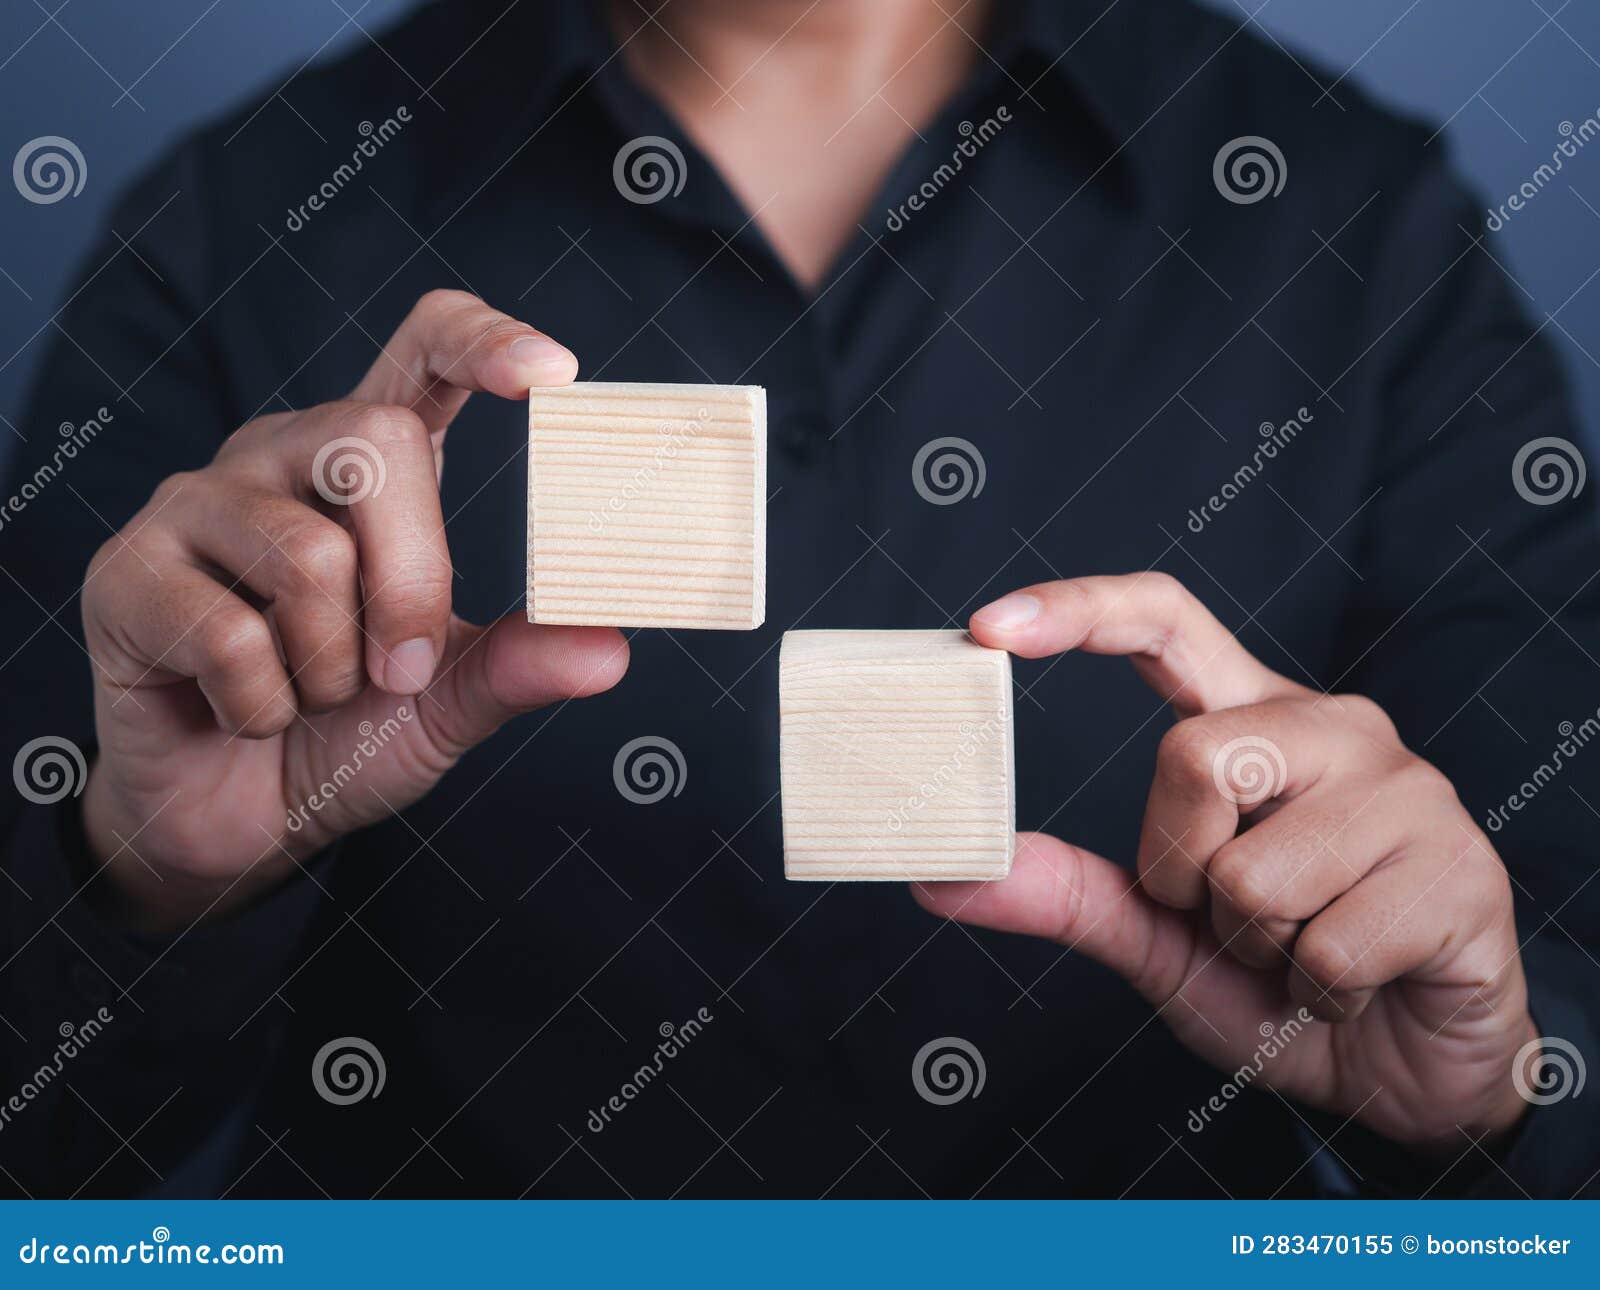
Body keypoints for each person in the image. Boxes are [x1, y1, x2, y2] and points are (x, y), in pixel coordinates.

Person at [1, 0, 1596, 1199]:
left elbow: (1556, 974)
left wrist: (1502, 1089)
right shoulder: (236, 226)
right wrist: (143, 886)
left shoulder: (1359, 225)